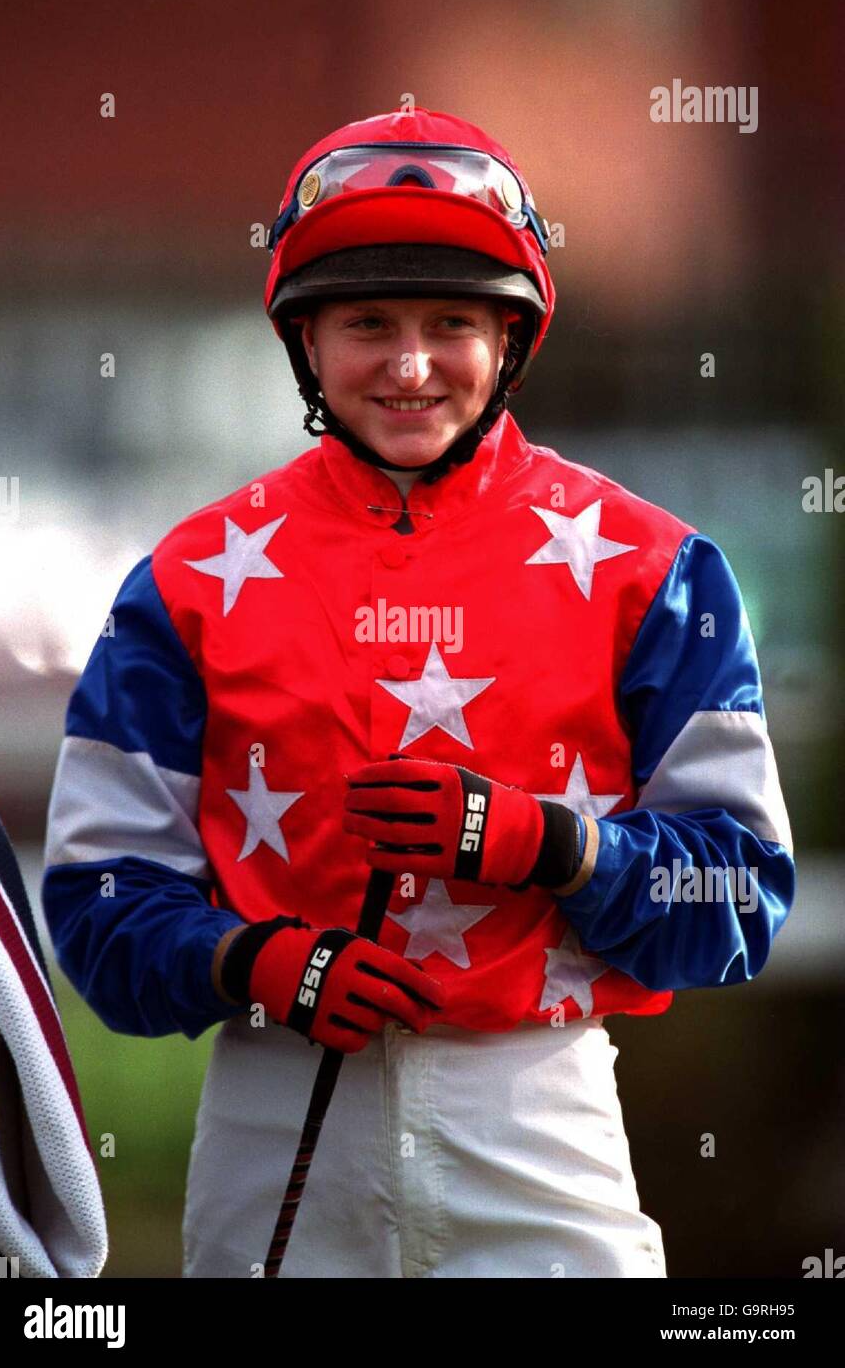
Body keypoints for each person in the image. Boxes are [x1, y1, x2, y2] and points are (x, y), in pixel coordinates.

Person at [41, 106, 795, 1279]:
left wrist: (553, 844)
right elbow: (92, 905)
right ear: (304, 341)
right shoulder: (185, 582)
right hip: (275, 1110)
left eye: (451, 322)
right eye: (366, 324)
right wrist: (253, 963)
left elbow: (742, 894)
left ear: (514, 338)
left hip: (537, 1117)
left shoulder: (658, 570)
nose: (408, 364)